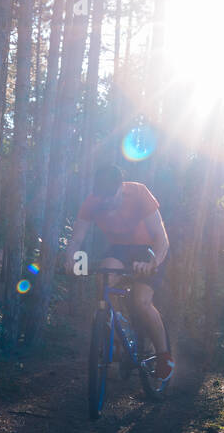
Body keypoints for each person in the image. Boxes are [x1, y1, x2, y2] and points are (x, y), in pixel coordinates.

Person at [67, 164, 173, 382]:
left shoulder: (139, 193)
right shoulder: (93, 202)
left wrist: (153, 262)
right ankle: (117, 337)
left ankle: (164, 356)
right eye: (101, 196)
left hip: (149, 248)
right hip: (120, 249)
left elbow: (161, 238)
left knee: (141, 301)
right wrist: (70, 257)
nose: (105, 201)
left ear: (120, 187)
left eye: (109, 195)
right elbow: (77, 238)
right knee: (104, 278)